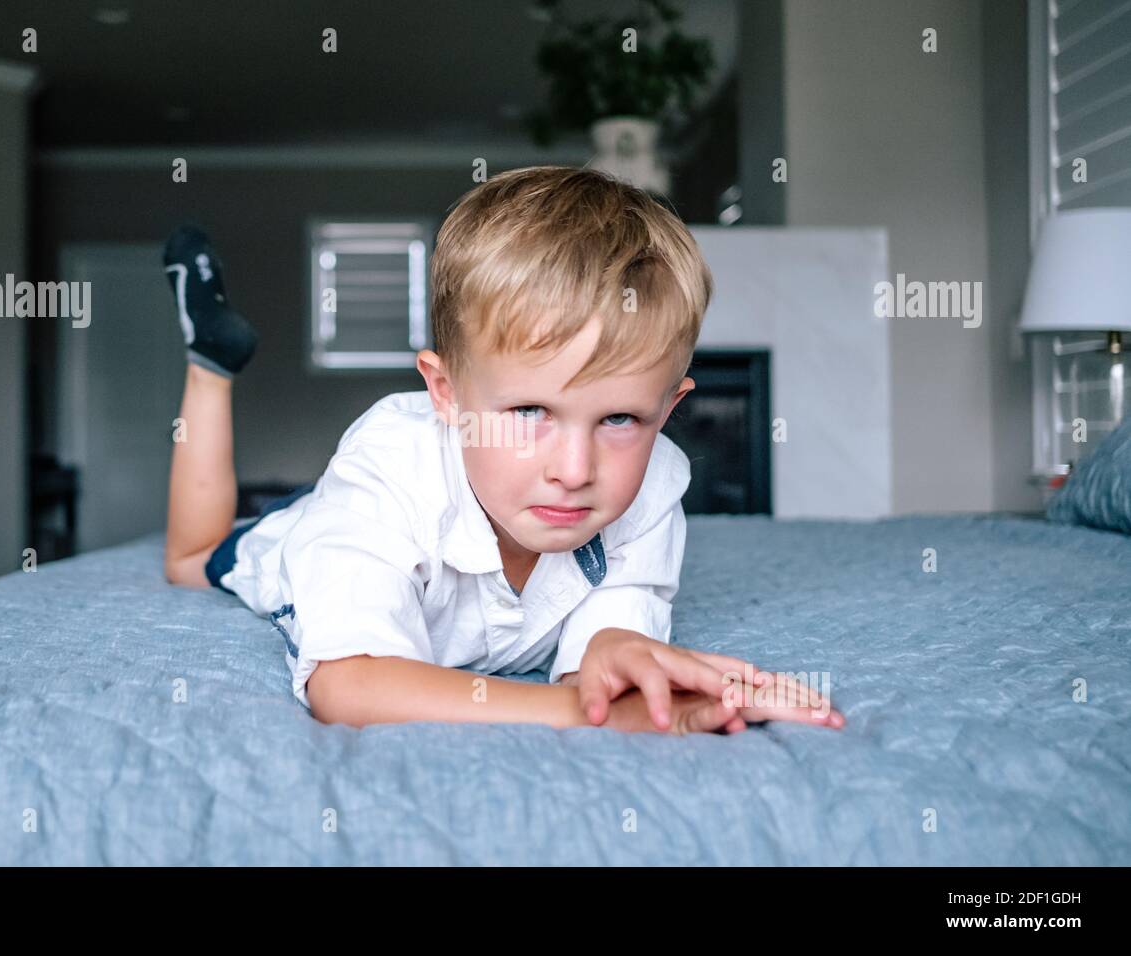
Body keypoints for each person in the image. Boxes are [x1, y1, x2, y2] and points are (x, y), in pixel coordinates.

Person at [162, 165, 845, 735]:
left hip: (412, 504)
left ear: (669, 409)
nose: (574, 473)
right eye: (528, 412)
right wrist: (571, 713)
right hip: (344, 522)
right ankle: (211, 365)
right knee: (193, 559)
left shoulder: (656, 482)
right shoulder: (390, 467)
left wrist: (623, 662)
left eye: (619, 420)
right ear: (446, 392)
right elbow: (350, 686)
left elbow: (605, 646)